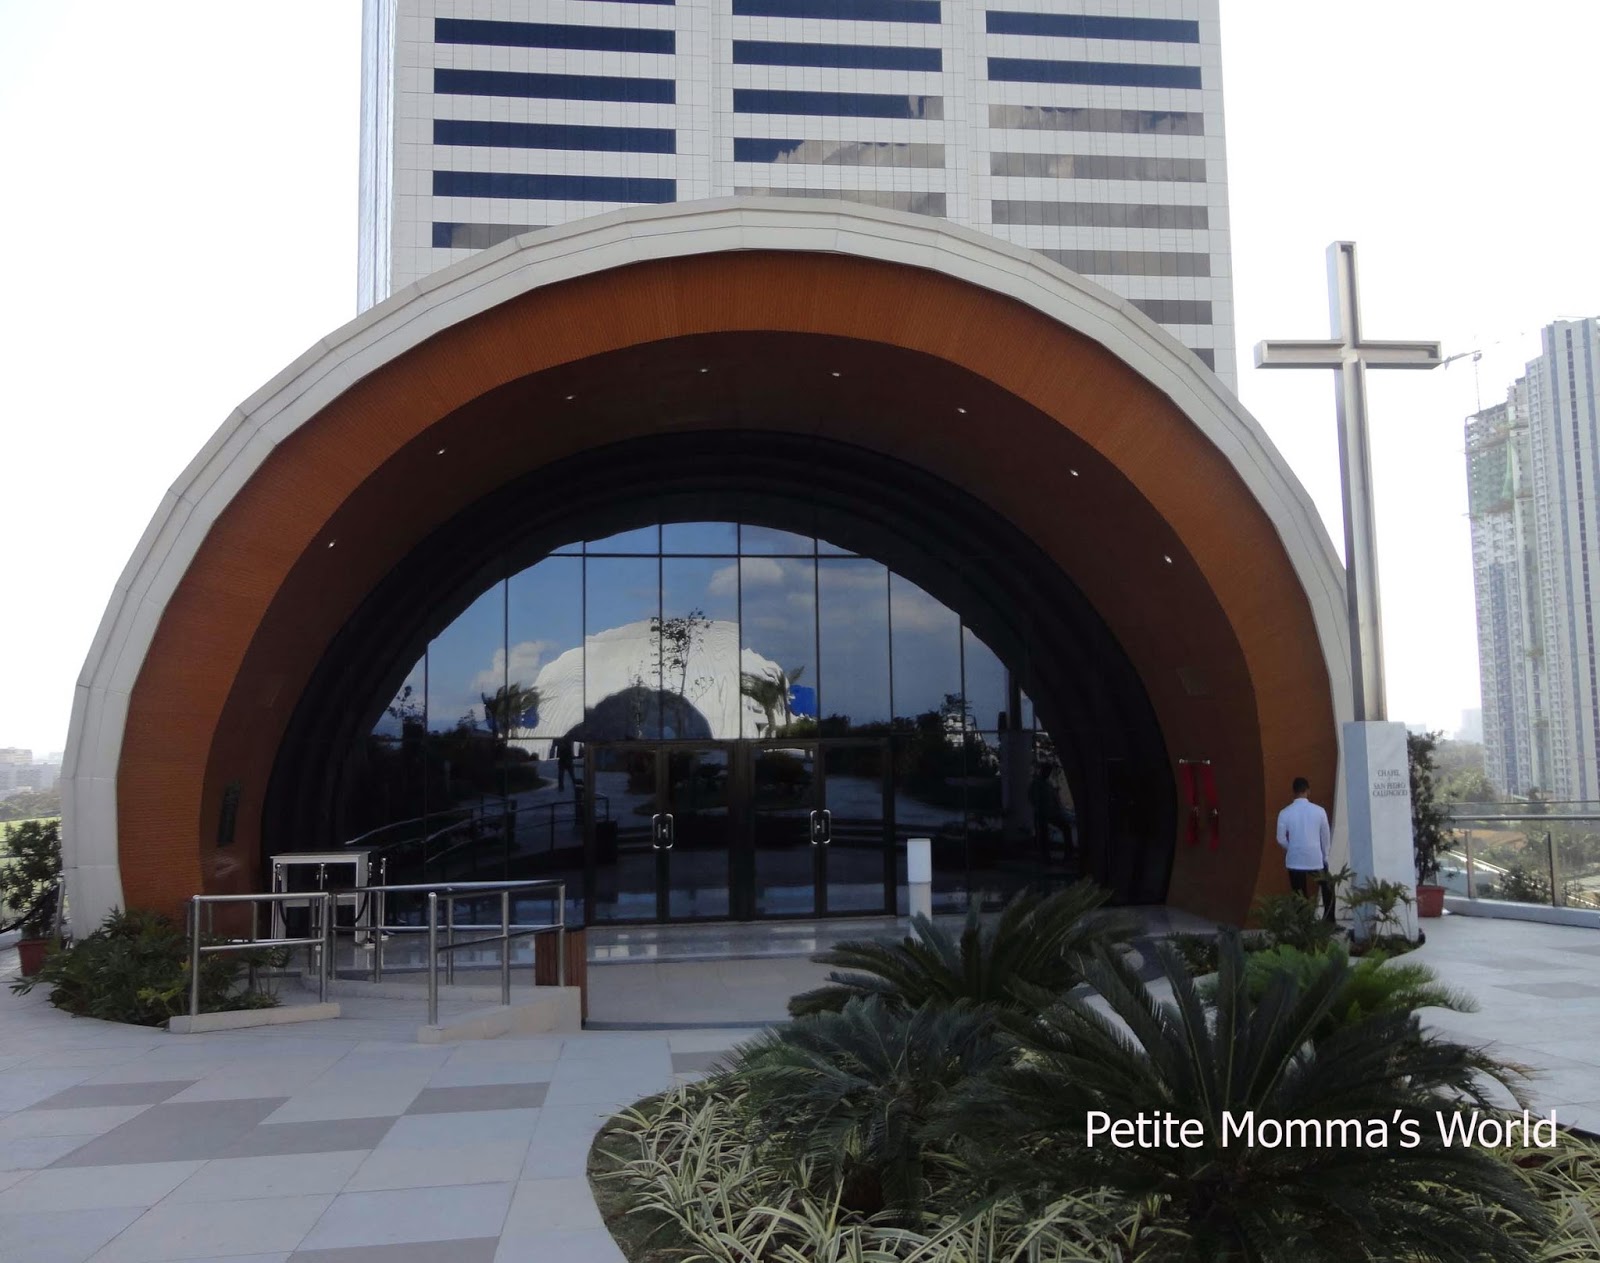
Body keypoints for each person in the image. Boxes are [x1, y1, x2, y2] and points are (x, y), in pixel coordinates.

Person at [1276, 776, 1335, 922]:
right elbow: (1325, 836)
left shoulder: (1284, 812)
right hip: (1315, 857)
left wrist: (1292, 848)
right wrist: (1325, 855)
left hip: (1295, 858)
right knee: (1328, 888)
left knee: (1299, 893)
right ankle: (1329, 920)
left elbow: (1280, 839)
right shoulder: (1319, 811)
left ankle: (1304, 923)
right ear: (1308, 790)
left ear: (1293, 792)